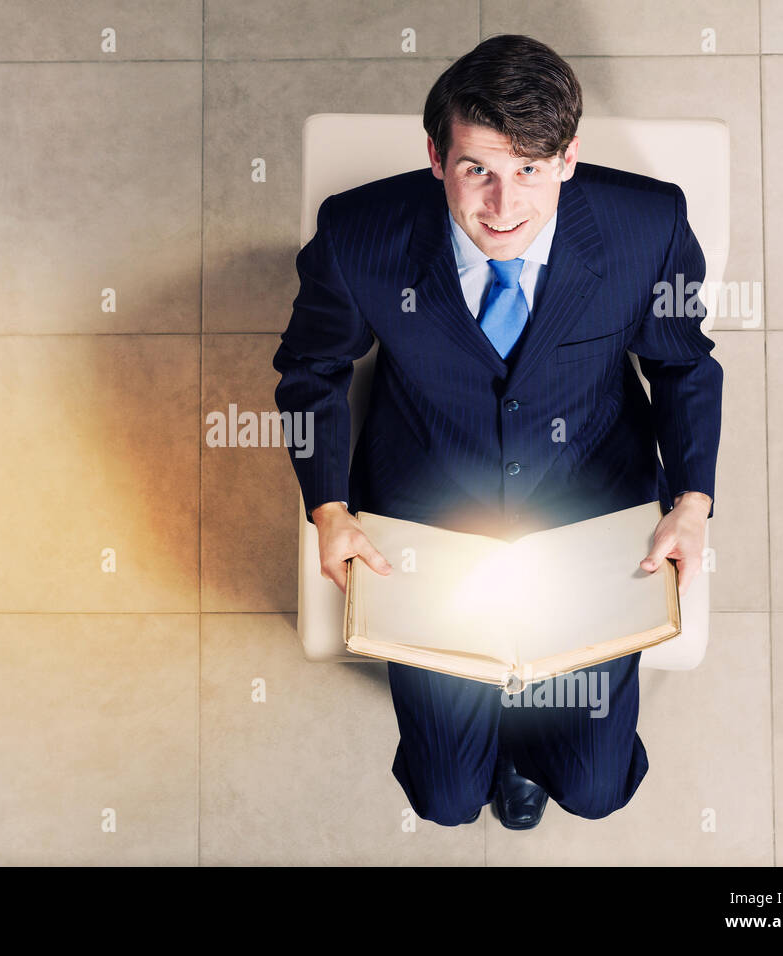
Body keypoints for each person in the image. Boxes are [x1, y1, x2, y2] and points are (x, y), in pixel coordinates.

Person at [272, 34, 722, 829]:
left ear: (569, 157)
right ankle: (488, 746)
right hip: (428, 510)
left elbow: (684, 366)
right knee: (446, 799)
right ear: (437, 157)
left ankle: (529, 750)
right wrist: (330, 510)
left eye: (529, 171)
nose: (503, 207)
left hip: (594, 506)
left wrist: (692, 499)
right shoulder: (356, 236)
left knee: (593, 789)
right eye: (477, 168)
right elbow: (310, 372)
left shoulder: (648, 228)